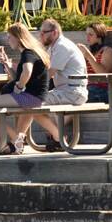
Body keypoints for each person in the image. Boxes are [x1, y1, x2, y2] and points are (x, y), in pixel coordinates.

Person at [0, 23, 50, 154]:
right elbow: (17, 77)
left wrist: (19, 87)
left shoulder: (28, 53)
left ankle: (16, 138)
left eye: (9, 37)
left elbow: (27, 71)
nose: (8, 40)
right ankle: (16, 141)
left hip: (30, 97)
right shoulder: (32, 52)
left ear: (18, 38)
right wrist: (6, 64)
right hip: (35, 97)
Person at [23, 18, 88, 152]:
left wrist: (26, 84)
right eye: (40, 33)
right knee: (26, 101)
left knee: (29, 102)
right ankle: (57, 137)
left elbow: (48, 74)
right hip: (65, 91)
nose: (40, 36)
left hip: (72, 92)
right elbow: (40, 69)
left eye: (43, 33)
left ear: (55, 32)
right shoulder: (54, 46)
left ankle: (57, 137)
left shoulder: (62, 46)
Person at [76, 22, 112, 104]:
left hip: (101, 90)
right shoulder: (90, 52)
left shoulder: (107, 51)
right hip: (86, 88)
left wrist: (88, 56)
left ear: (99, 37)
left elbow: (103, 75)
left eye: (90, 34)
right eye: (86, 34)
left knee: (75, 99)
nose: (87, 37)